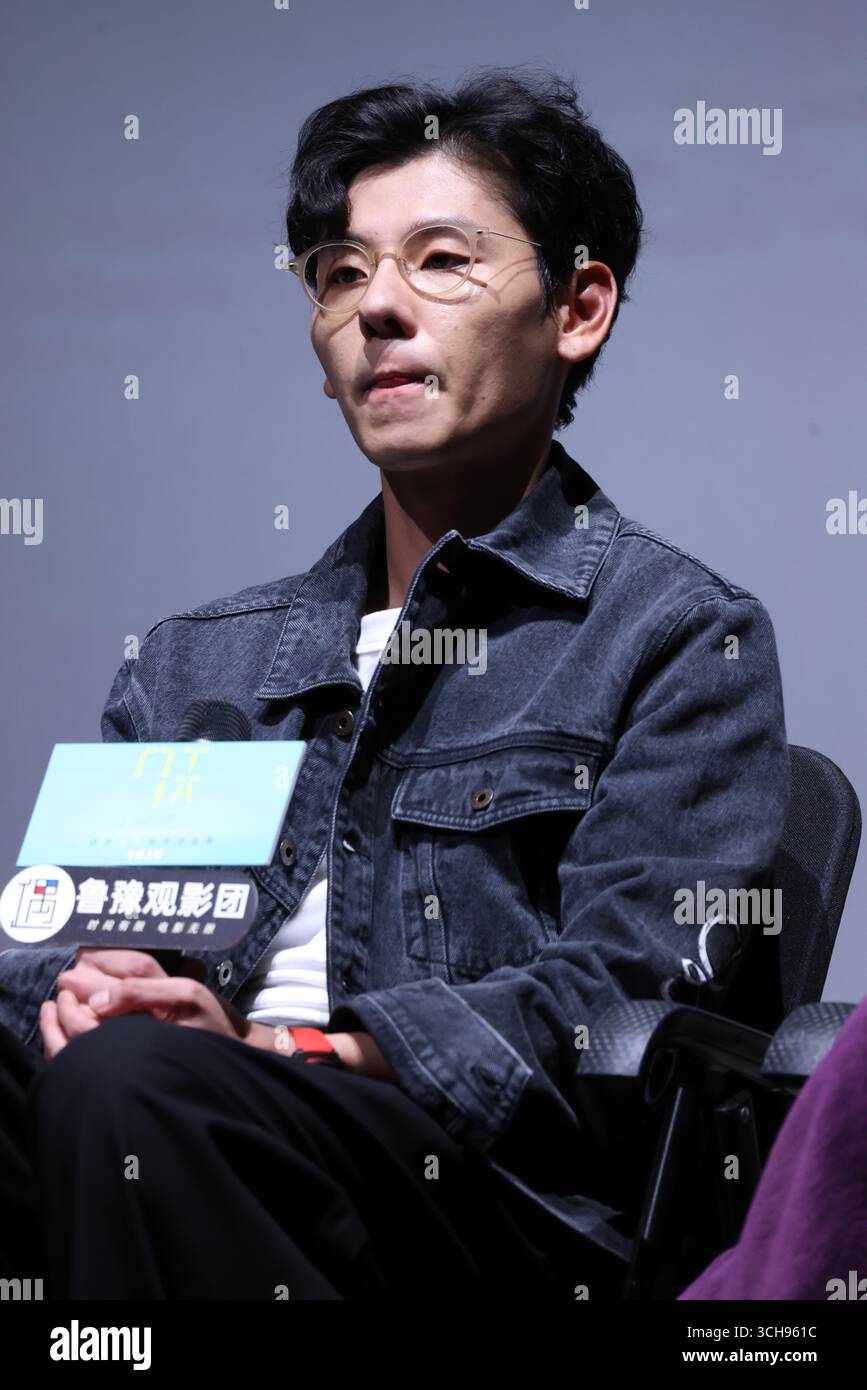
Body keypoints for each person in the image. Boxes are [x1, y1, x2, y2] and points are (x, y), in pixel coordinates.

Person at [0, 66, 790, 1300]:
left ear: (578, 306)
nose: (378, 308)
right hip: (171, 1124)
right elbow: (51, 938)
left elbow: (620, 1002)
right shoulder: (195, 660)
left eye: (438, 259)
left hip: (488, 1213)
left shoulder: (678, 636)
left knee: (130, 1086)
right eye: (341, 272)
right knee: (96, 1063)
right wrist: (79, 989)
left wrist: (288, 1046)